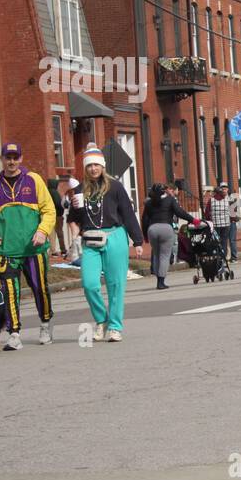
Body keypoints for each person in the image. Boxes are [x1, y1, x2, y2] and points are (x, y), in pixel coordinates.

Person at [0, 142, 56, 350]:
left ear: (21, 159)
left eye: (15, 157)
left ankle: (45, 323)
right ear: (2, 159)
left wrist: (42, 231)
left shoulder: (34, 180)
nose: (12, 161)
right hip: (7, 251)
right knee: (10, 292)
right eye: (8, 157)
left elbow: (49, 210)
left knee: (39, 288)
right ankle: (14, 333)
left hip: (34, 249)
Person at [69, 143, 143, 342]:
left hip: (114, 236)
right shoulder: (79, 189)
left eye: (96, 165)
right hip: (90, 240)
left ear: (102, 166)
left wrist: (137, 240)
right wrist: (75, 228)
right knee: (89, 284)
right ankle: (101, 320)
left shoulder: (115, 187)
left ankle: (115, 327)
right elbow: (73, 219)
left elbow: (127, 213)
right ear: (85, 168)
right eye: (89, 165)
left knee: (115, 285)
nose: (93, 169)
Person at [141, 182, 194, 289]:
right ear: (164, 190)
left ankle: (157, 278)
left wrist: (145, 235)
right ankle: (161, 282)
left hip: (152, 229)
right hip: (166, 228)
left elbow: (145, 220)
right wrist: (192, 220)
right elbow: (180, 212)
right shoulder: (170, 200)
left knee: (156, 255)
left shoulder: (149, 203)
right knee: (164, 256)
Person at [220, 181, 240, 262]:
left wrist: (234, 219)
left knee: (232, 240)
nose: (224, 190)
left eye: (225, 188)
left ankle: (234, 257)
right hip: (223, 222)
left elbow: (234, 211)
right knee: (223, 241)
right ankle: (224, 257)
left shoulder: (231, 198)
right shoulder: (218, 199)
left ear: (227, 189)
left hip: (231, 222)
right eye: (222, 188)